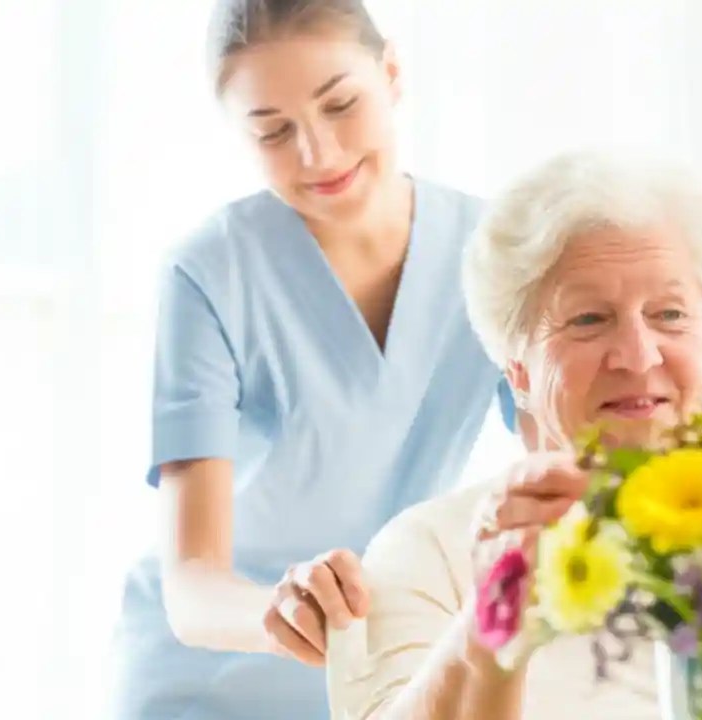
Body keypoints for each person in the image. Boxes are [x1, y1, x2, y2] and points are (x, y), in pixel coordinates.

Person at [108, 2, 516, 718]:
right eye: (272, 131)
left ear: (391, 73)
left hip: (386, 675)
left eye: (341, 105)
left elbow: (565, 449)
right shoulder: (208, 273)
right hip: (208, 682)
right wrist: (281, 609)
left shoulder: (495, 252)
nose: (317, 153)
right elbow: (192, 584)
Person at [325, 150, 702, 719]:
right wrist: (488, 624)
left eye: (669, 314)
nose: (639, 356)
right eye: (589, 319)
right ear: (516, 366)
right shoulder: (428, 550)